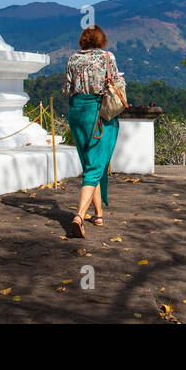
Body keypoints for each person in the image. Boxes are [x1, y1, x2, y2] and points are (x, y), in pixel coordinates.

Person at [60, 25, 124, 238]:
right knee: (96, 164)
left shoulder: (73, 59)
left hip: (77, 113)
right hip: (98, 113)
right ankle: (79, 215)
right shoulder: (107, 57)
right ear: (101, 39)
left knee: (90, 164)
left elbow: (67, 90)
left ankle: (98, 214)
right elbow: (116, 82)